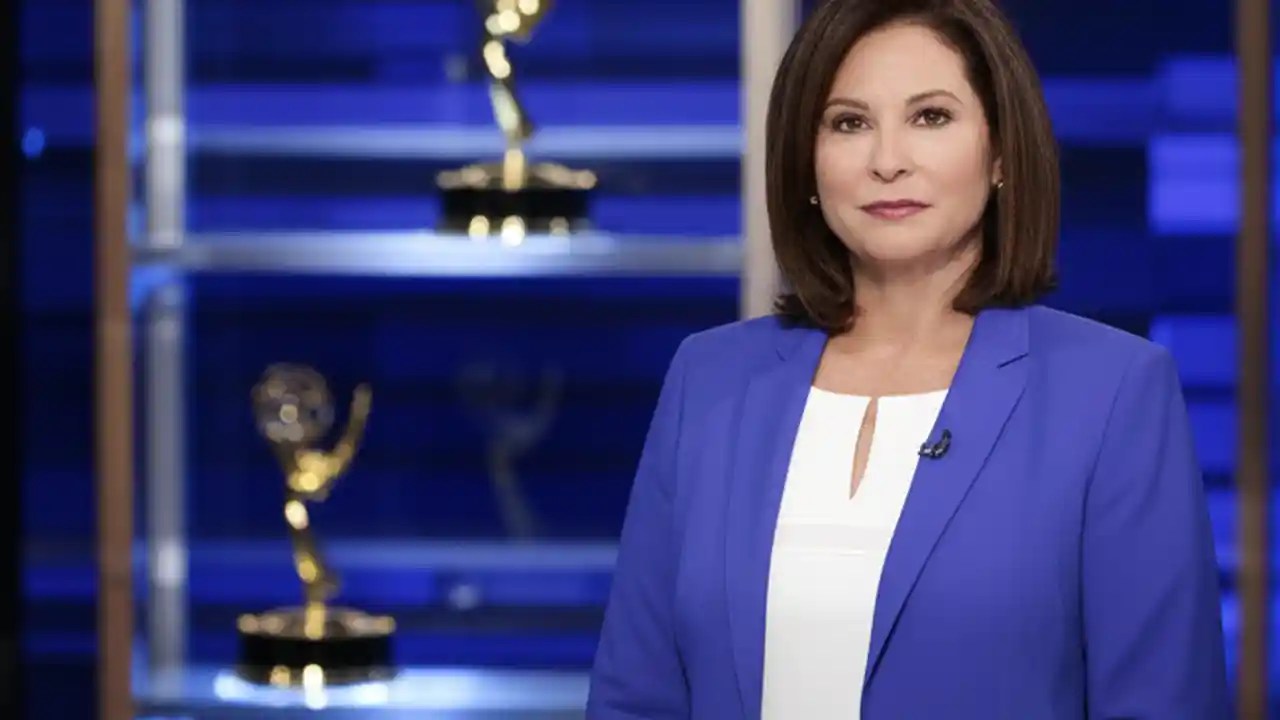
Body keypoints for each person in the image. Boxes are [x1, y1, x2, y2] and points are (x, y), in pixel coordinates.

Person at [586, 0, 1229, 718]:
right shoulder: (709, 381)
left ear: (1000, 153)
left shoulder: (1111, 393)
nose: (887, 161)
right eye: (848, 123)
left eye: (930, 117)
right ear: (806, 161)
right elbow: (635, 695)